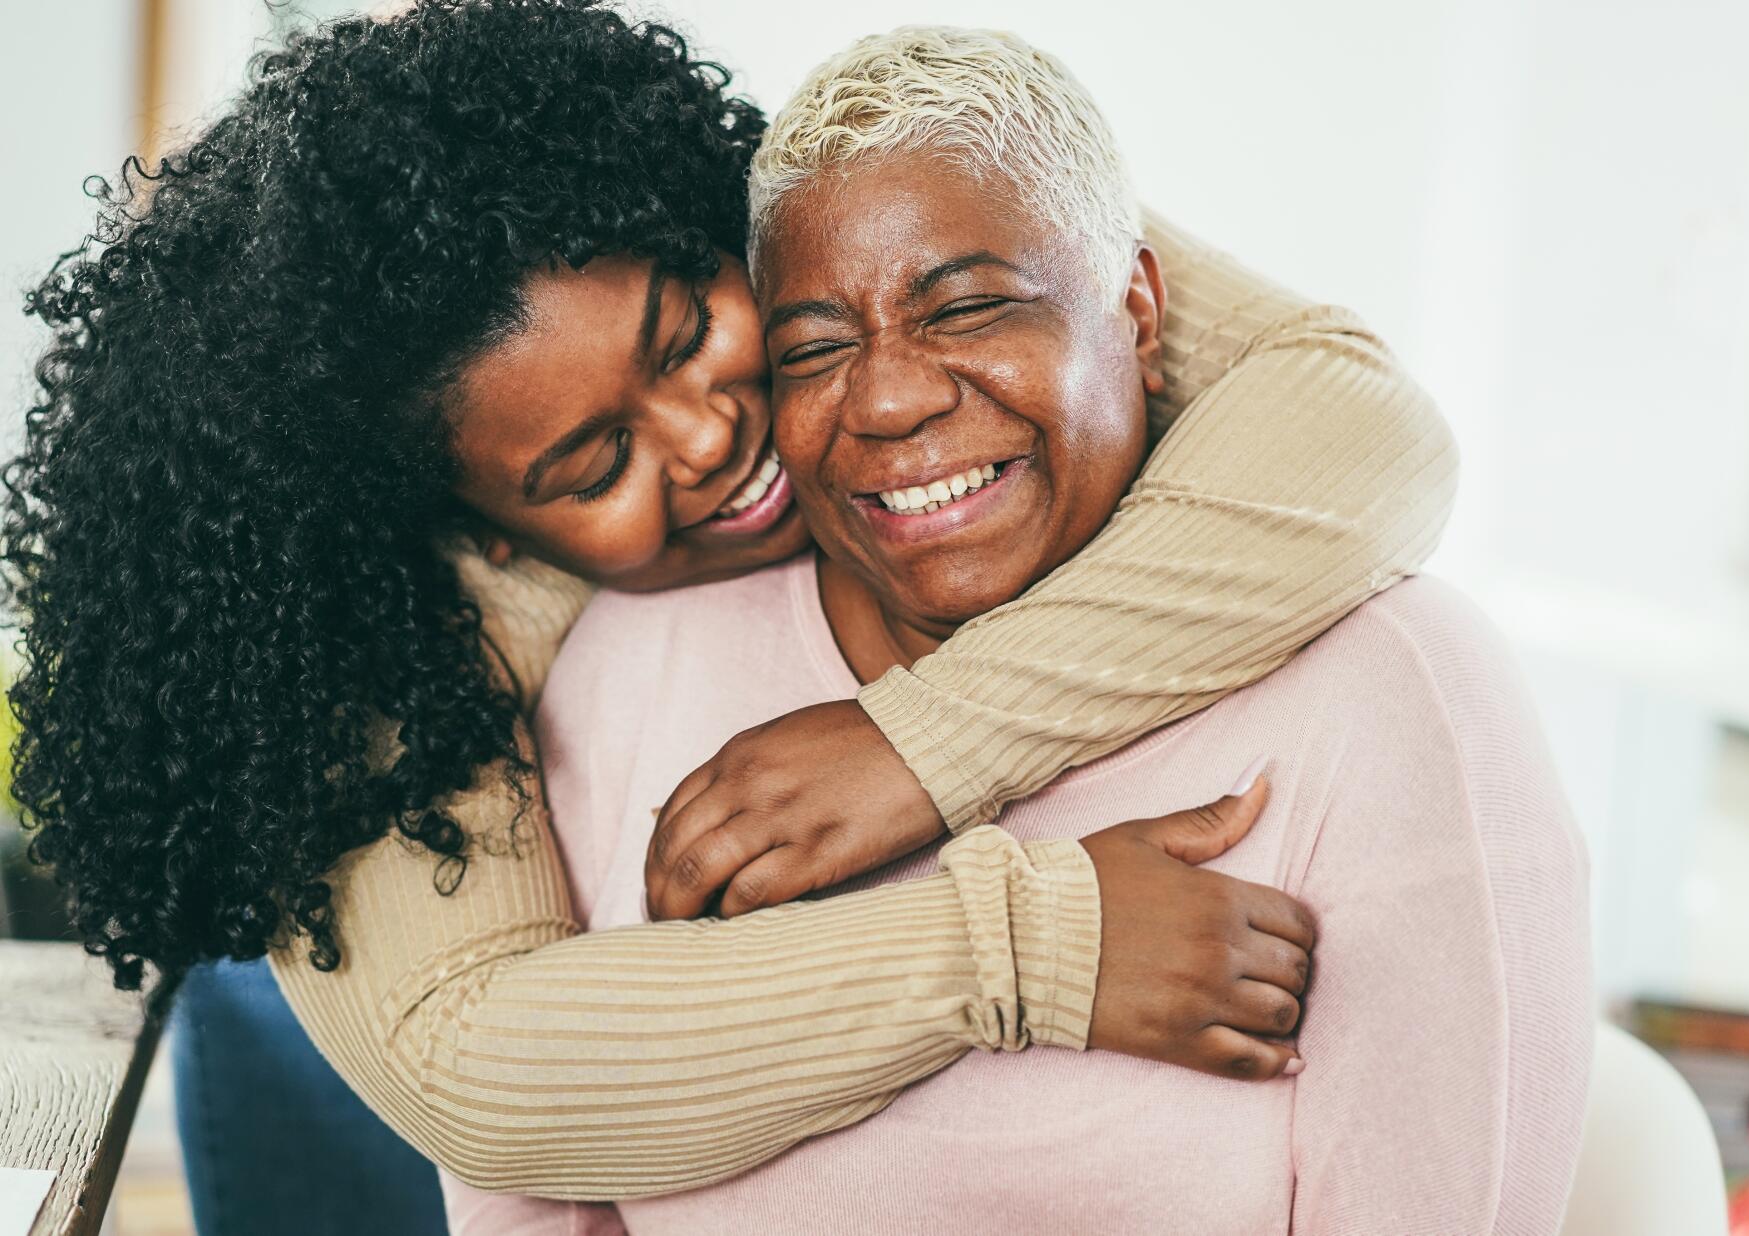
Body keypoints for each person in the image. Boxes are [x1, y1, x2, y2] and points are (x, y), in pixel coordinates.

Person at [3, 0, 1457, 1204]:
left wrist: (923, 745)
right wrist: (1024, 948)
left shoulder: (825, 209)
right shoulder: (379, 615)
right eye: (592, 462)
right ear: (481, 531)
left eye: (692, 330)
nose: (709, 437)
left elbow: (1360, 420)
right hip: (359, 1038)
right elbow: (475, 1066)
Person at [447, 27, 1592, 1234]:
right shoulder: (626, 676)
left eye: (971, 307)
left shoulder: (1393, 696)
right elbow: (533, 1186)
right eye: (815, 349)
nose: (889, 397)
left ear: (1138, 310)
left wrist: (921, 745)